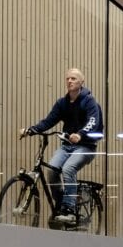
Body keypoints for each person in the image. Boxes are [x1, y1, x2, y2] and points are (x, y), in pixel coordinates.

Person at [19, 68, 103, 224]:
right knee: (52, 170)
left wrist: (80, 134)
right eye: (68, 79)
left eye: (74, 79)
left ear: (81, 82)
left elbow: (93, 121)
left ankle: (70, 209)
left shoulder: (89, 101)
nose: (70, 81)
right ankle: (60, 206)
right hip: (67, 146)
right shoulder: (62, 103)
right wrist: (31, 130)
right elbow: (49, 121)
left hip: (86, 147)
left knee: (68, 169)